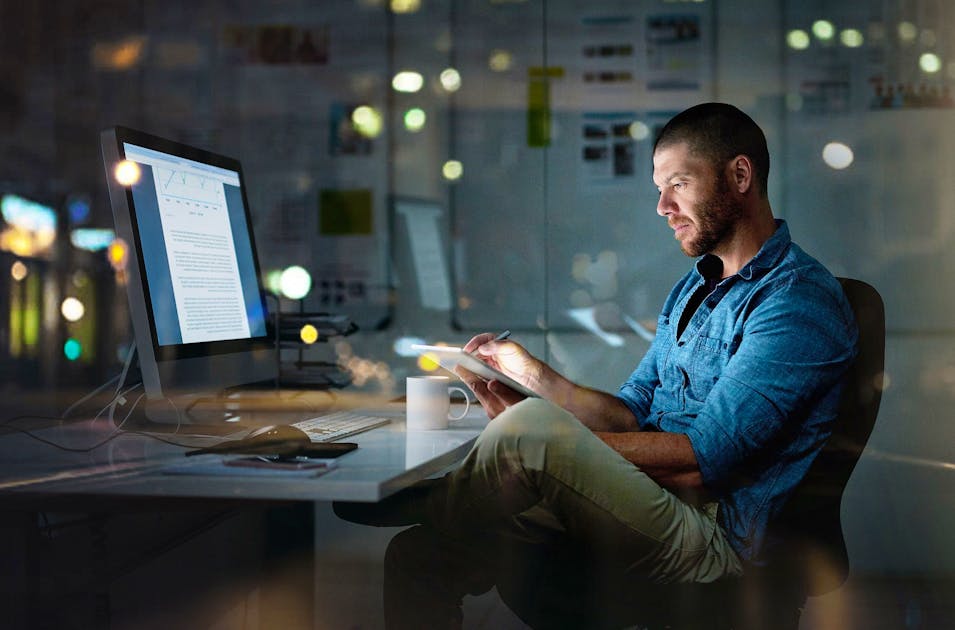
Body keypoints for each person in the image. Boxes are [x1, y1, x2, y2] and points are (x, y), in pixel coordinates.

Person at [334, 102, 859, 627]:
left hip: (715, 539)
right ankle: (450, 498)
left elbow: (702, 462)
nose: (662, 206)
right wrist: (532, 377)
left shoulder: (796, 300)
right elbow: (628, 415)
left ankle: (438, 499)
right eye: (658, 189)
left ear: (740, 175)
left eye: (677, 184)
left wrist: (543, 446)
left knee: (532, 433)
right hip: (650, 500)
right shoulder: (694, 289)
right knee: (418, 556)